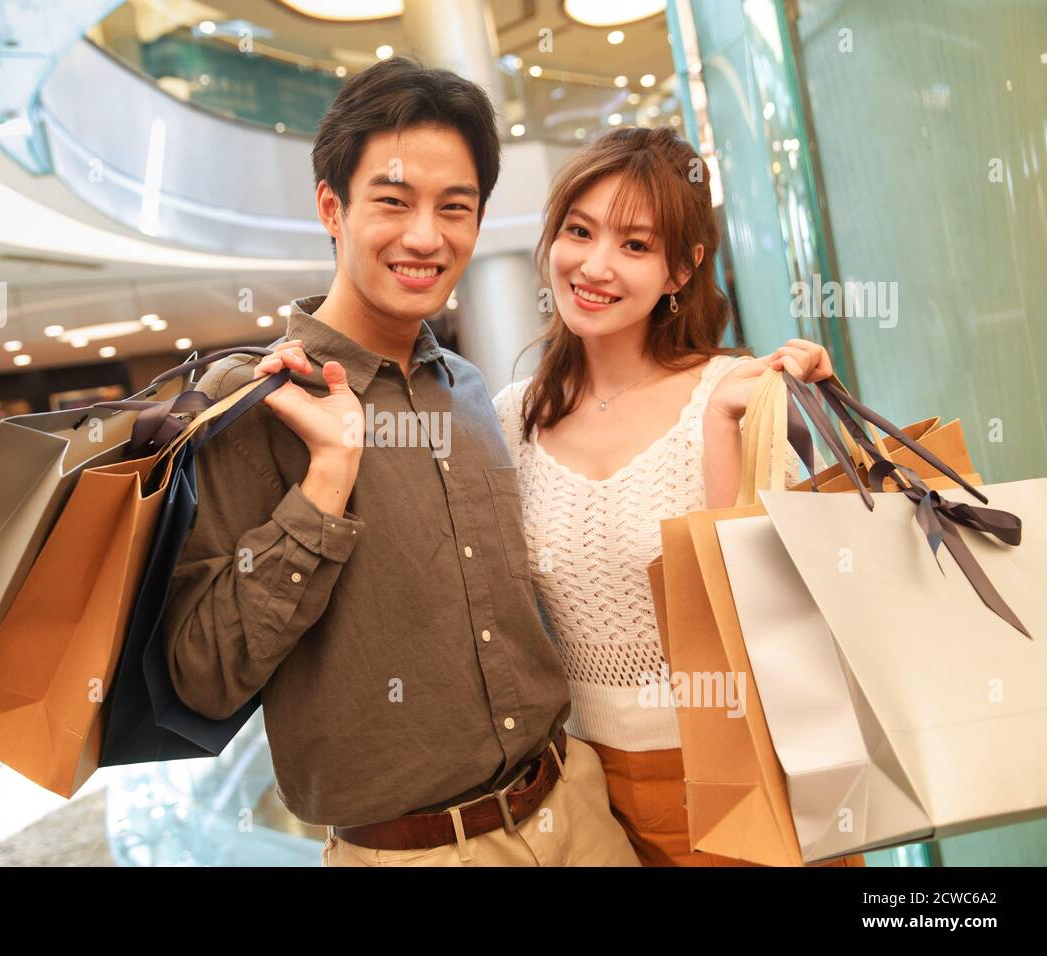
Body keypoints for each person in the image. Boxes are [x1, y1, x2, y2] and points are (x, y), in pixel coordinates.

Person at [161, 57, 641, 867]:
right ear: (331, 208)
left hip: (575, 809)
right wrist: (323, 486)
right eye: (392, 201)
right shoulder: (250, 403)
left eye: (455, 208)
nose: (427, 236)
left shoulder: (467, 388)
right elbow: (200, 676)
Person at [491, 125, 864, 866]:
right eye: (580, 231)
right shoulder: (511, 418)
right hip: (584, 791)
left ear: (681, 269)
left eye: (634, 245)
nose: (594, 265)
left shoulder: (723, 396)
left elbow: (748, 601)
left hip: (739, 766)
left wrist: (756, 420)